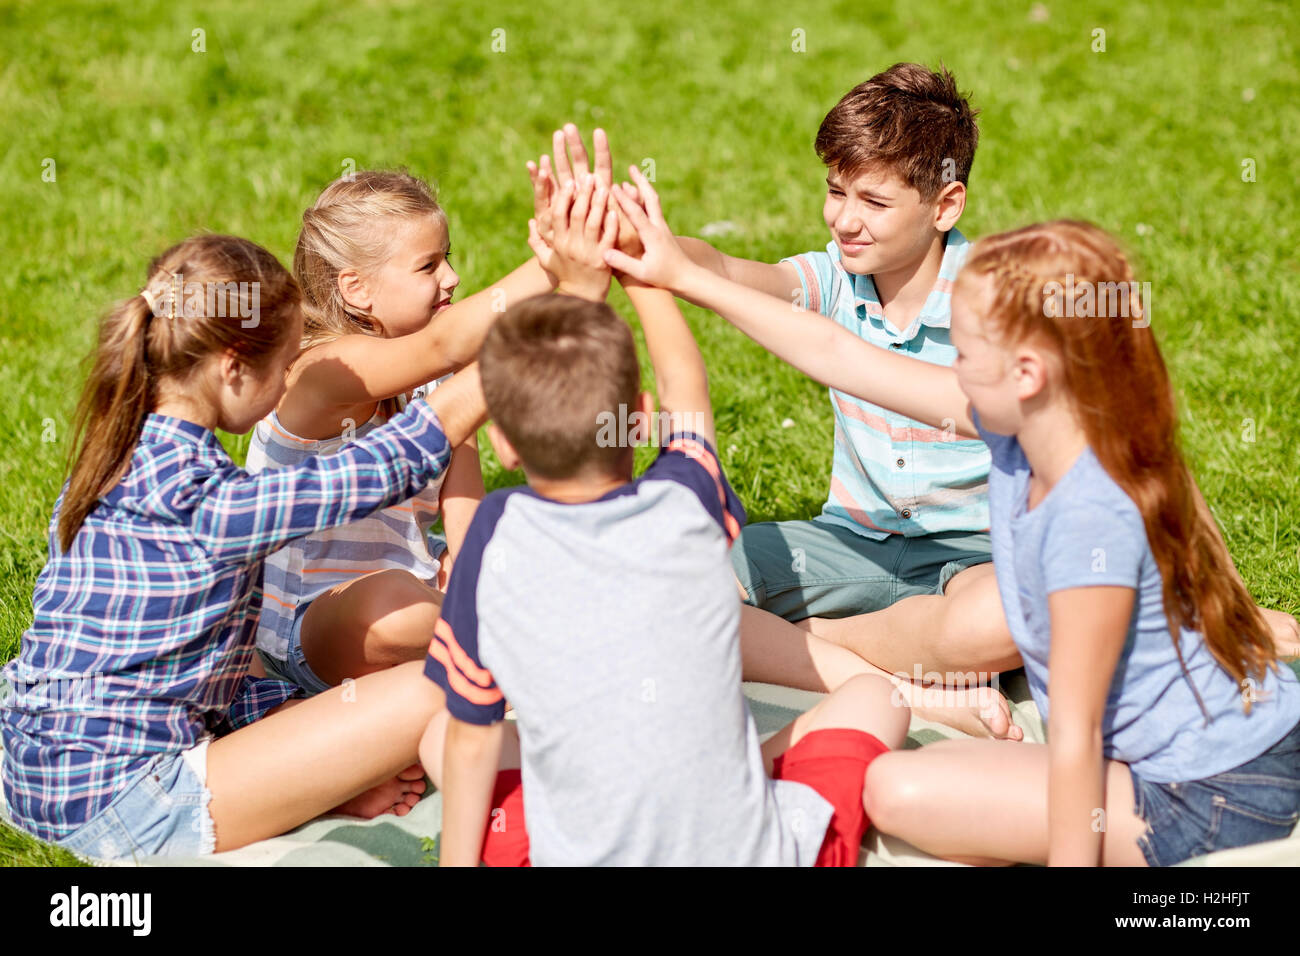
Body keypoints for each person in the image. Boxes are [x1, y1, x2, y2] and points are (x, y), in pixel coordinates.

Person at [612, 206, 1300, 865]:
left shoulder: (1087, 520)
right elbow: (836, 353)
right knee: (931, 781)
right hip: (1194, 757)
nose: (953, 371)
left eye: (964, 353)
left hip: (1210, 793)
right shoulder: (1029, 427)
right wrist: (680, 275)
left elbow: (1075, 742)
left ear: (1028, 374)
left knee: (898, 790)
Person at [420, 175, 910, 866]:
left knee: (439, 739)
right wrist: (644, 275)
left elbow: (471, 739)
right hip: (749, 853)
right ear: (640, 416)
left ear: (500, 441)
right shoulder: (686, 503)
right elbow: (691, 395)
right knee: (875, 699)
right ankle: (742, 782)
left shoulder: (495, 534)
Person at [0, 234, 483, 858]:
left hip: (29, 762)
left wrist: (317, 763)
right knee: (436, 685)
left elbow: (188, 671)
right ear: (232, 368)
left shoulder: (111, 454)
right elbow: (384, 464)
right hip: (121, 807)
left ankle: (301, 791)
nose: (290, 381)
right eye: (284, 367)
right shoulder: (214, 501)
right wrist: (497, 368)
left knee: (283, 684)